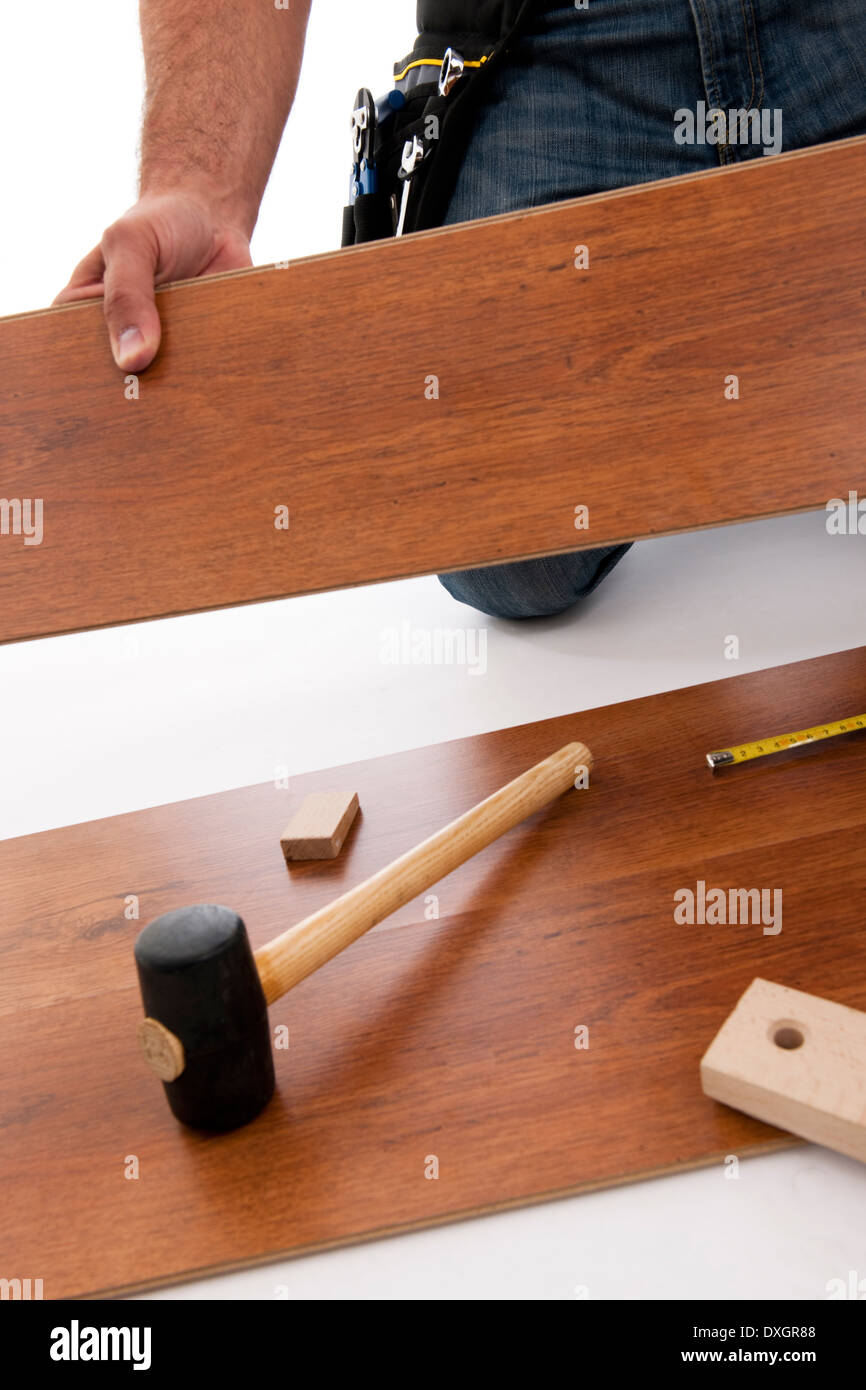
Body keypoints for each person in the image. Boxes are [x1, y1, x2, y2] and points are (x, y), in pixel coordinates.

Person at [55, 1, 866, 619]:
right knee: (505, 547)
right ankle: (766, 338)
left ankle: (764, 342)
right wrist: (198, 184)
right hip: (557, 44)